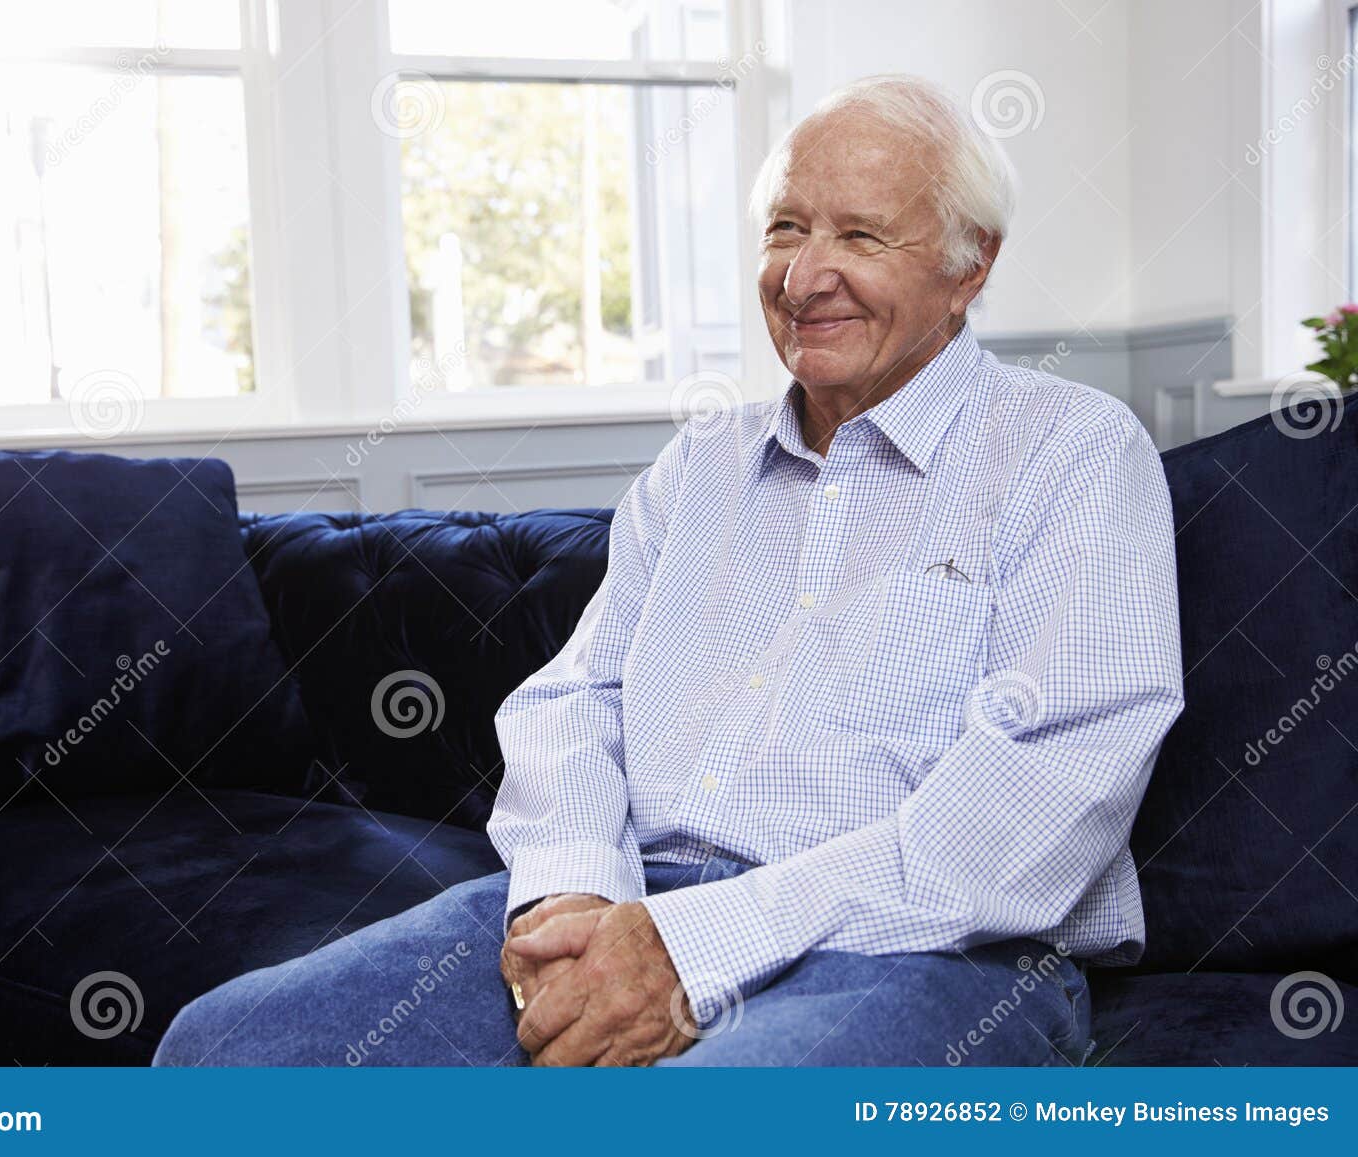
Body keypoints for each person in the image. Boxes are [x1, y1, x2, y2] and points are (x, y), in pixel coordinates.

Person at [153, 73, 1183, 1068]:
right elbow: (572, 699)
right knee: (225, 1053)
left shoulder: (1073, 452)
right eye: (786, 227)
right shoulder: (701, 463)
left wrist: (694, 946)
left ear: (969, 265)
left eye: (860, 235)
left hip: (923, 948)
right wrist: (570, 896)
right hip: (630, 903)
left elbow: (1031, 813)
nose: (803, 274)